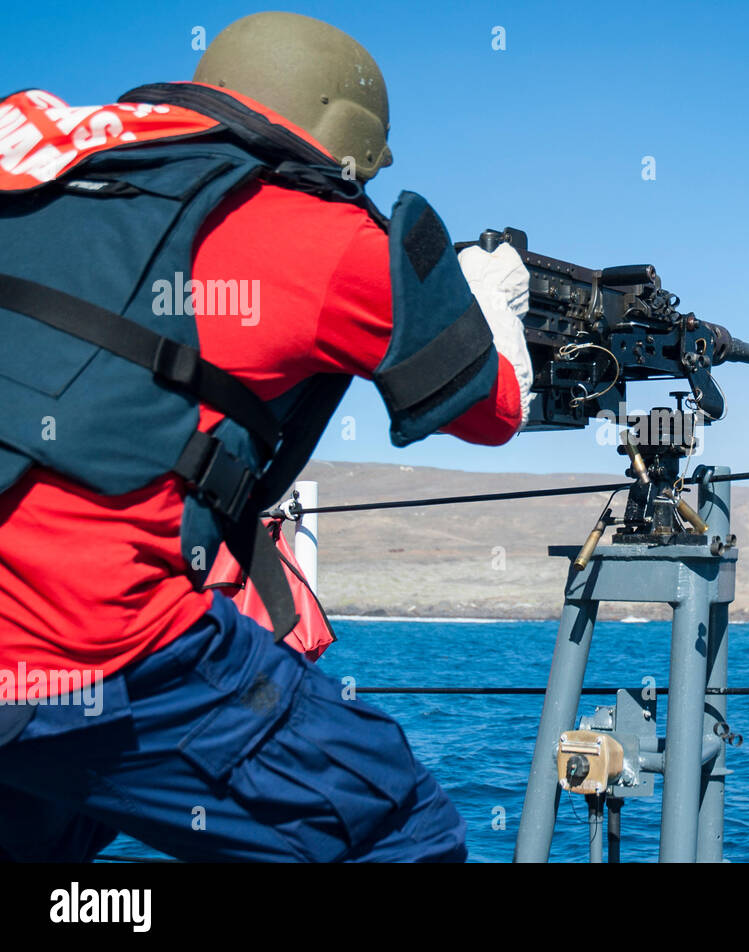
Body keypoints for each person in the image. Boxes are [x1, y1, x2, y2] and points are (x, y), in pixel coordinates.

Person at [0, 11, 533, 862]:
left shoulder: (35, 161)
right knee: (395, 825)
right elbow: (492, 410)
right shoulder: (319, 233)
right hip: (83, 648)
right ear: (343, 138)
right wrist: (488, 306)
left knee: (53, 823)